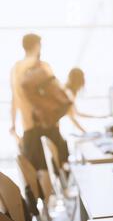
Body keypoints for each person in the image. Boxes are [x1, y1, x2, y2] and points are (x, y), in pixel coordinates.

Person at [10, 33, 69, 171]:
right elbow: (56, 93)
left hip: (28, 125)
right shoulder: (42, 66)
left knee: (36, 169)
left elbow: (14, 99)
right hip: (47, 122)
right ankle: (53, 193)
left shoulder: (15, 69)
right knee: (52, 168)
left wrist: (13, 124)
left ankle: (42, 194)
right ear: (37, 45)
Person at [64, 67, 107, 133]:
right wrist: (85, 133)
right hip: (51, 127)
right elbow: (72, 117)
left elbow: (76, 113)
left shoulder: (69, 92)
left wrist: (97, 117)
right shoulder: (68, 93)